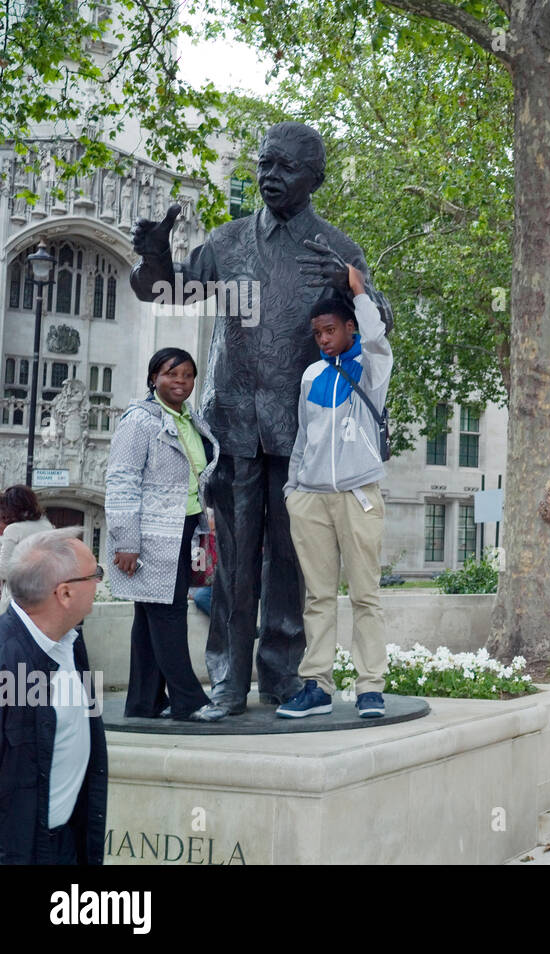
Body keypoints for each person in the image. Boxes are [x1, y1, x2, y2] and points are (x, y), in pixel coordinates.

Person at [129, 121, 392, 714]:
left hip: (303, 437)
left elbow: (381, 326)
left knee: (292, 566)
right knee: (235, 563)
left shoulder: (335, 247)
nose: (270, 176)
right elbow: (164, 292)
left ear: (315, 179)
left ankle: (281, 676)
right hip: (235, 425)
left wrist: (349, 292)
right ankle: (226, 678)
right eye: (264, 164)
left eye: (284, 168)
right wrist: (153, 255)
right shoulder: (226, 243)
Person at [277, 265, 392, 719]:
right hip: (310, 499)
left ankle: (370, 688)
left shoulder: (370, 368)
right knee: (318, 598)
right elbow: (303, 438)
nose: (323, 339)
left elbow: (378, 340)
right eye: (317, 333)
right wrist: (293, 490)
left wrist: (360, 293)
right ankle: (317, 686)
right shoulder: (309, 376)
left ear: (349, 328)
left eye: (330, 330)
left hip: (358, 495)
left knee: (366, 595)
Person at [105, 348, 225, 722]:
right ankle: (189, 700)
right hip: (151, 535)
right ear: (153, 377)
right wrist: (126, 541)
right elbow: (121, 479)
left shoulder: (191, 419)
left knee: (148, 618)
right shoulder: (140, 420)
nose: (181, 382)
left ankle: (144, 702)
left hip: (184, 528)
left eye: (188, 375)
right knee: (168, 614)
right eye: (172, 374)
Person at [0, 528, 108, 864]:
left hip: (66, 844)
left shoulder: (73, 643)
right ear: (64, 593)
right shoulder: (6, 664)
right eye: (95, 575)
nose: (99, 583)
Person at [0, 485, 54, 612]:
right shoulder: (47, 526)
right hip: (44, 594)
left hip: (18, 597)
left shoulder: (14, 530)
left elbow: (4, 569)